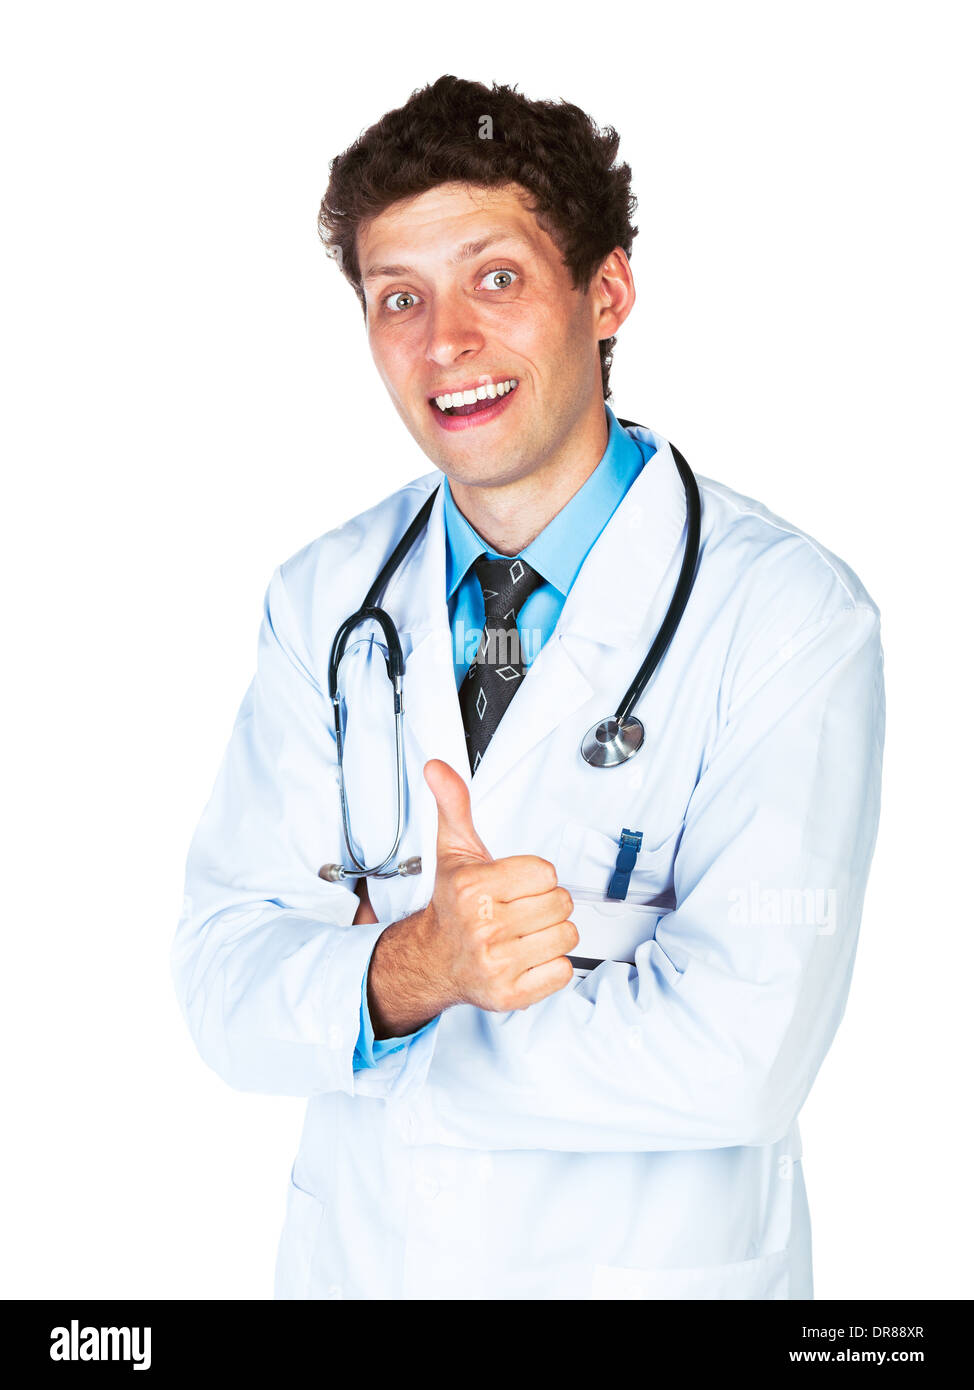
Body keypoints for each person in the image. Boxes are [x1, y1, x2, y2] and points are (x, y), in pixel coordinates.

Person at [171, 74, 885, 1300]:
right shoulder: (323, 600)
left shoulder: (786, 614)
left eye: (493, 279)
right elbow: (223, 987)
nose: (443, 343)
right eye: (400, 298)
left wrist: (365, 998)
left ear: (602, 294)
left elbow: (740, 1053)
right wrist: (429, 964)